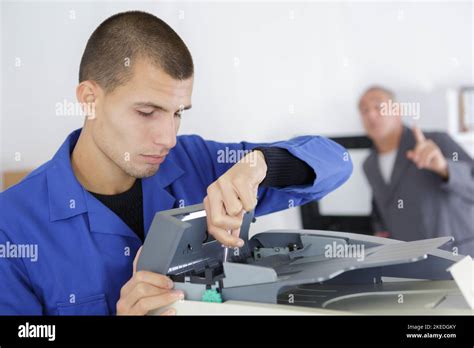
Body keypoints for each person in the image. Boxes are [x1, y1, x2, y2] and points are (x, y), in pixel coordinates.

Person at [0, 11, 352, 315]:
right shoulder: (11, 228)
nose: (168, 138)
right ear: (90, 99)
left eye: (178, 114)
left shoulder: (196, 162)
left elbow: (337, 160)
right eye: (147, 112)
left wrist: (262, 166)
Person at [359, 86, 474, 256]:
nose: (371, 114)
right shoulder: (369, 164)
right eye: (364, 110)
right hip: (411, 263)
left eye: (378, 107)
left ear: (397, 110)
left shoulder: (436, 141)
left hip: (459, 255)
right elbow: (381, 208)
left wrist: (444, 168)